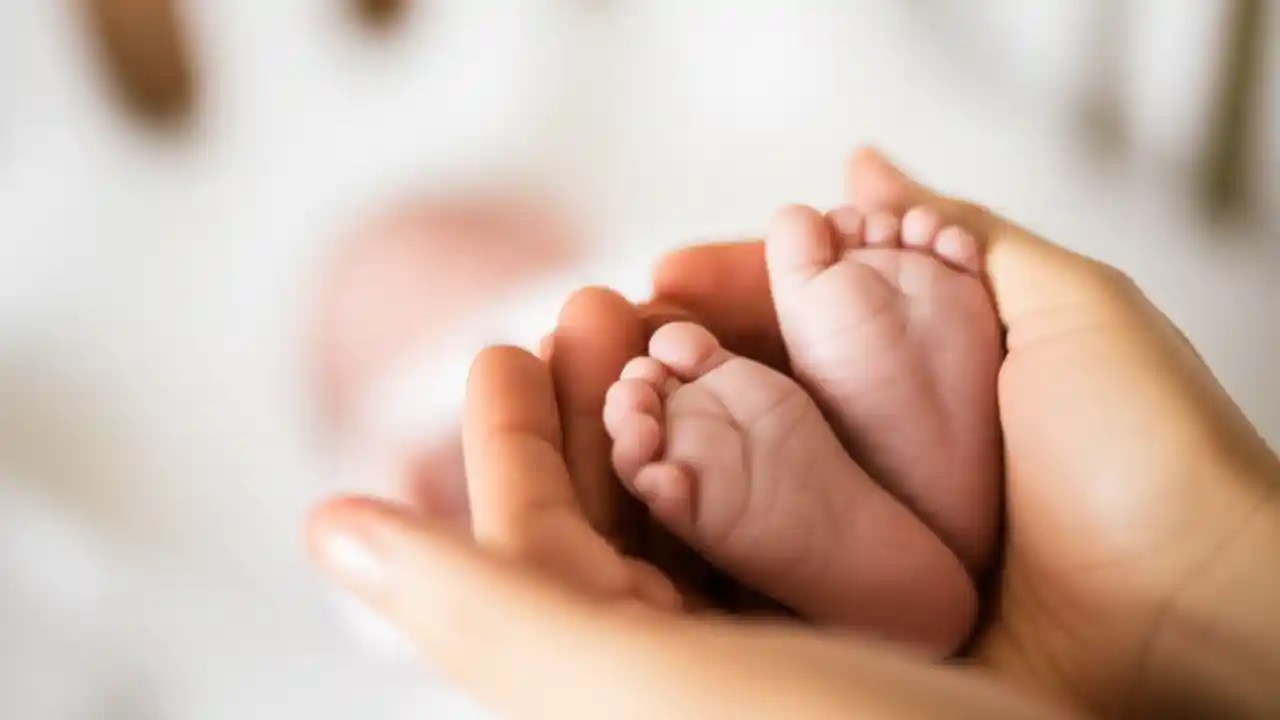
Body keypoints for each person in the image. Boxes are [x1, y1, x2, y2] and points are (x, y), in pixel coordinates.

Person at [306, 149, 1280, 718]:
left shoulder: (605, 364)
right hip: (662, 480)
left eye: (487, 266)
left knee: (678, 418)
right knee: (688, 411)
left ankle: (858, 509)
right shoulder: (403, 446)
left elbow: (390, 591)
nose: (466, 299)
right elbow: (374, 618)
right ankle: (884, 511)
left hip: (667, 547)